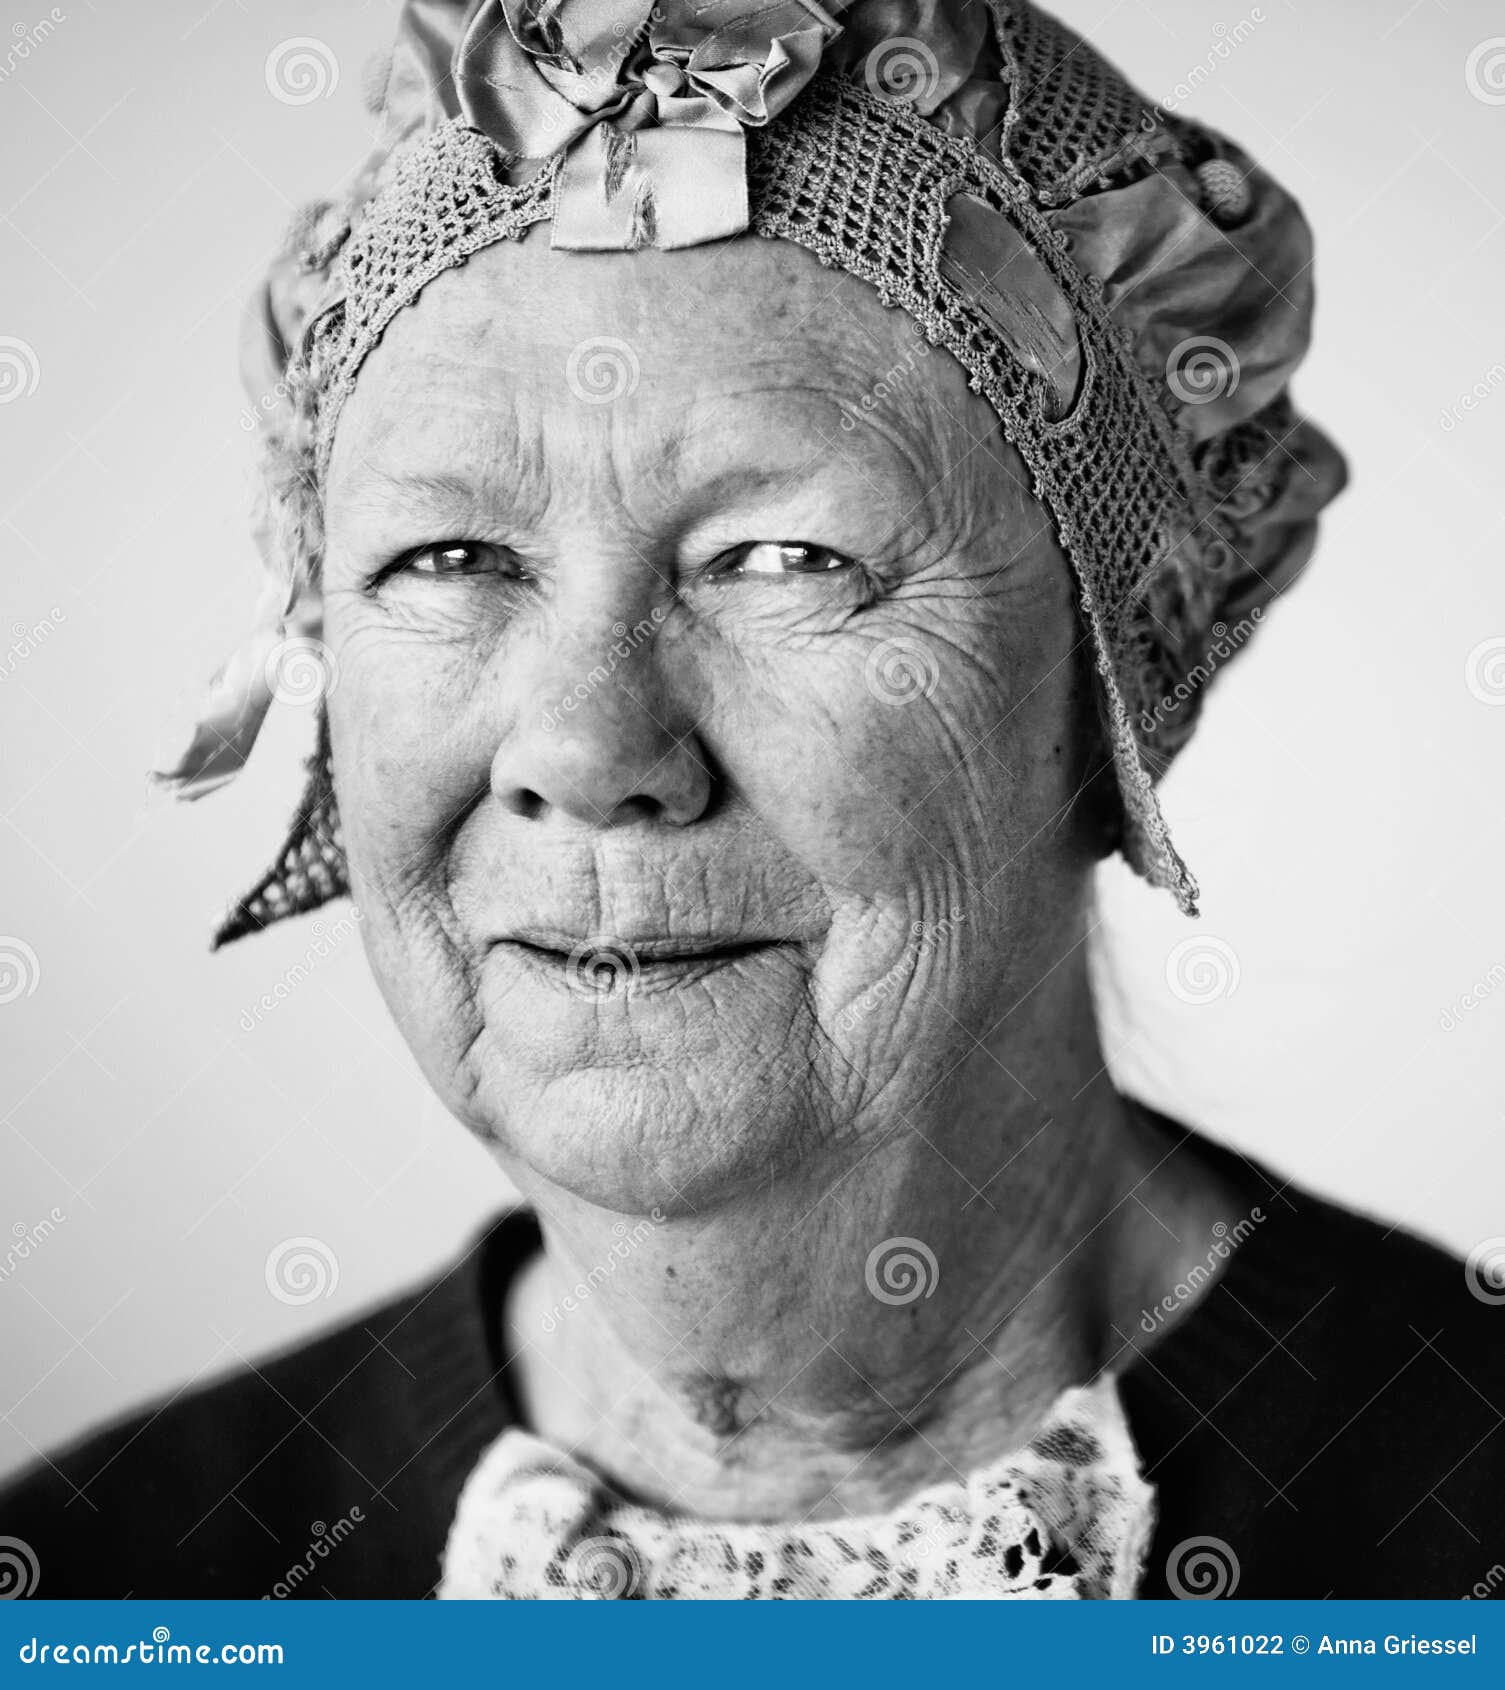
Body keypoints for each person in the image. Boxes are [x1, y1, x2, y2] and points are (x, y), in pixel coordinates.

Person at [3, 0, 1499, 1601]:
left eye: (784, 559)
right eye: (449, 558)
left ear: (1116, 673)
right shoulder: (111, 1575)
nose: (585, 749)